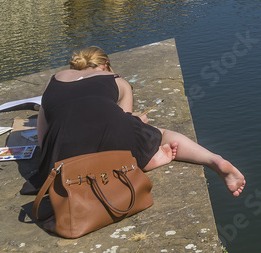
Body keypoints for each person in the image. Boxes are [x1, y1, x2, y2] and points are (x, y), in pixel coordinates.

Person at [33, 47, 245, 196]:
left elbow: (43, 140)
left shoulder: (55, 79)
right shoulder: (117, 80)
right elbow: (122, 125)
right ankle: (213, 160)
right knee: (160, 134)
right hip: (113, 136)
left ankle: (144, 160)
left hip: (62, 163)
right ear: (106, 65)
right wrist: (137, 120)